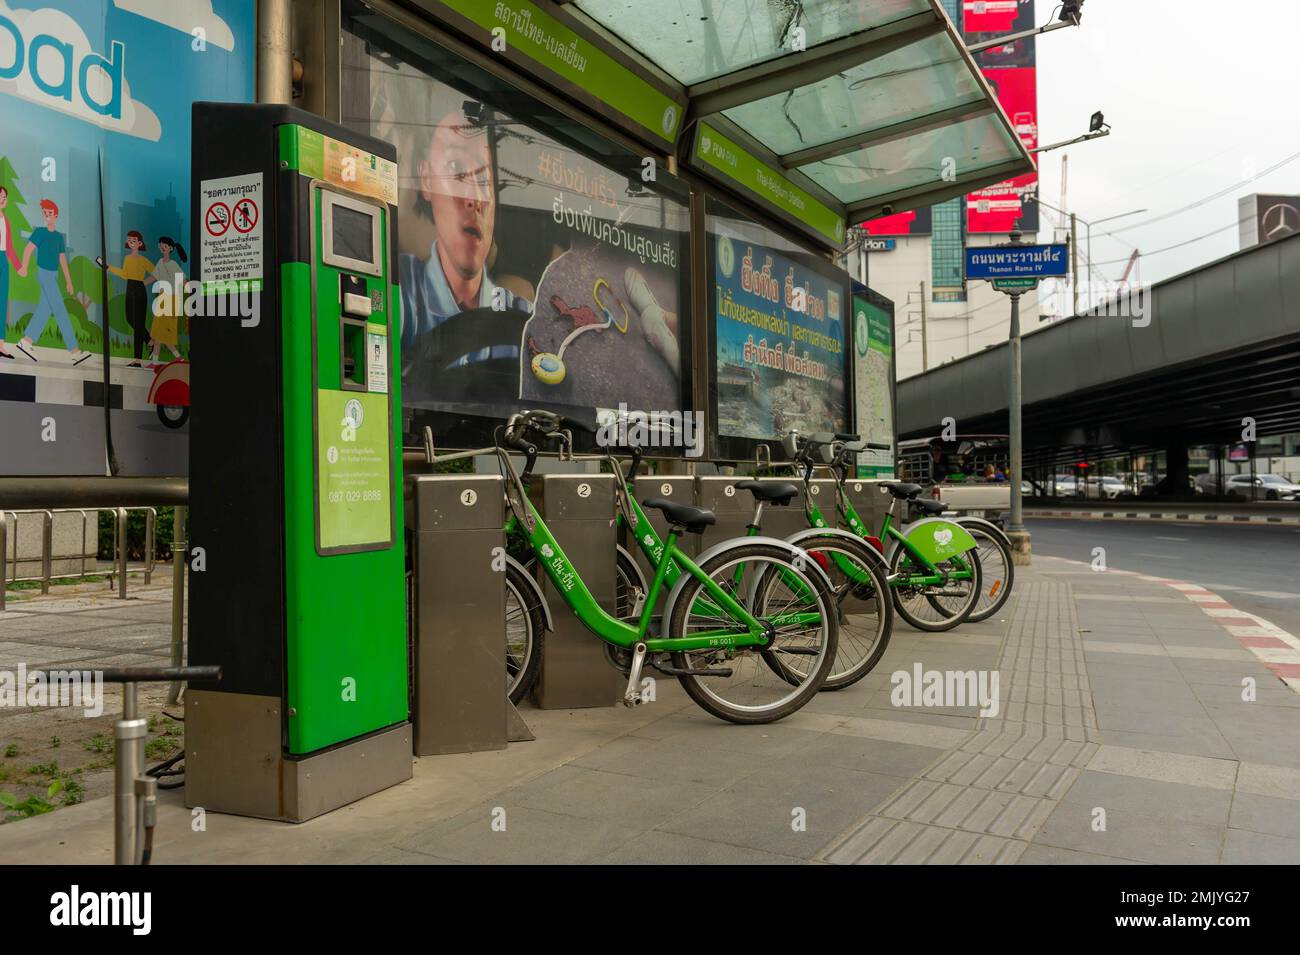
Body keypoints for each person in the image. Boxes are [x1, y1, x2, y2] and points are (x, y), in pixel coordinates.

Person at [397, 106, 529, 370]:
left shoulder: (524, 317)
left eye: (484, 180)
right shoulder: (401, 290)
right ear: (425, 179)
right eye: (456, 168)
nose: (475, 198)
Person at [17, 199, 88, 365]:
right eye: (45, 214)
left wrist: (69, 282)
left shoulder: (58, 237)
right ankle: (74, 350)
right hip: (44, 273)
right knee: (60, 310)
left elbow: (63, 259)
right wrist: (25, 267)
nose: (47, 216)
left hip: (54, 275)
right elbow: (28, 250)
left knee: (44, 309)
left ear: (55, 216)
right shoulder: (40, 232)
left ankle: (26, 341)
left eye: (50, 214)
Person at [97, 229, 154, 366]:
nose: (131, 243)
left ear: (139, 243)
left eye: (133, 241)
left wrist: (144, 283)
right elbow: (124, 274)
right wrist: (109, 268)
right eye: (129, 240)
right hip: (130, 288)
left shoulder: (143, 260)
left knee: (139, 324)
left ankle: (137, 360)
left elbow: (155, 272)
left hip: (139, 289)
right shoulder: (127, 258)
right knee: (130, 319)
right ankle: (150, 342)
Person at [146, 236, 186, 363]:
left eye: (165, 246)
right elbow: (153, 276)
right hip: (162, 298)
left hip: (172, 299)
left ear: (170, 248)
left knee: (164, 333)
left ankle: (176, 358)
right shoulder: (159, 262)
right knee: (158, 331)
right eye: (161, 246)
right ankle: (172, 359)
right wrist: (142, 283)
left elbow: (183, 281)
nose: (162, 248)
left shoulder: (173, 264)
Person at [0, 185, 25, 360]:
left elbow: (9, 247)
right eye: (0, 196)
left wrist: (18, 266)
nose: (2, 199)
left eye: (4, 197)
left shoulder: (5, 219)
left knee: (2, 303)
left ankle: (0, 345)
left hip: (3, 262)